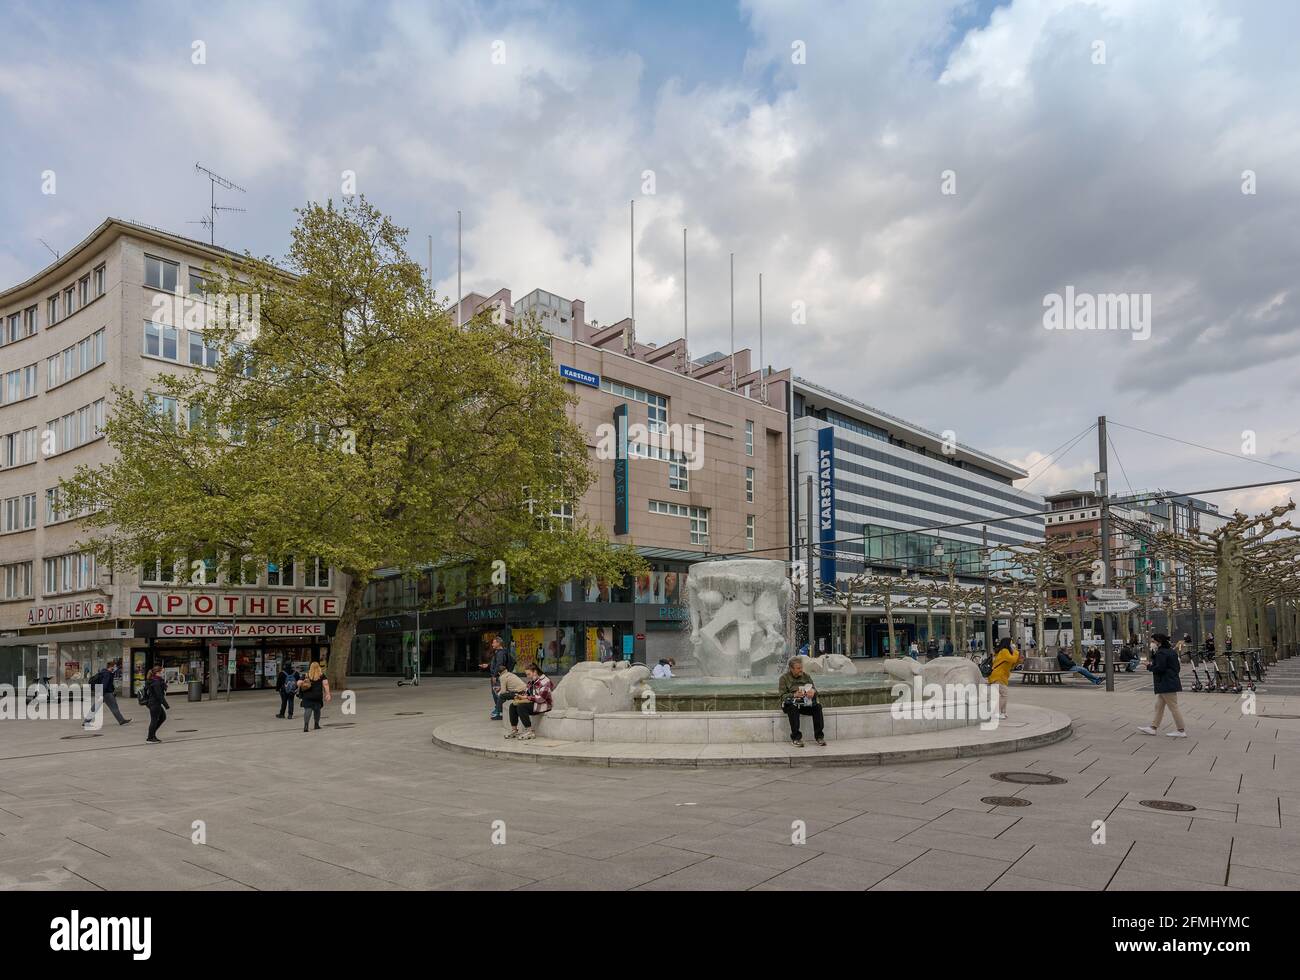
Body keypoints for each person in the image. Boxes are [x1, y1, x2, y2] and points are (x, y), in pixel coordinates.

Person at [1138, 634, 1187, 738]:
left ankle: (1181, 730)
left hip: (1165, 683)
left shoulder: (1161, 653)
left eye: (1153, 641)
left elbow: (1159, 668)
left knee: (1173, 707)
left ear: (1159, 642)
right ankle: (1153, 728)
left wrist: (1148, 666)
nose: (1152, 644)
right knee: (1159, 706)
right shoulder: (1171, 651)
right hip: (1169, 682)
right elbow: (1177, 668)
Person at [777, 657, 825, 747]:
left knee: (817, 707)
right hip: (790, 704)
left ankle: (819, 736)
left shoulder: (806, 676)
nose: (801, 670)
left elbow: (815, 690)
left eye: (801, 667)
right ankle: (796, 738)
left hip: (804, 703)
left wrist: (813, 692)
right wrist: (794, 695)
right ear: (791, 669)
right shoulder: (784, 678)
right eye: (798, 668)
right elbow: (782, 696)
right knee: (793, 708)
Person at [504, 663, 553, 740]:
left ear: (535, 672)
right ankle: (514, 730)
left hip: (543, 705)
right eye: (526, 674)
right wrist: (519, 696)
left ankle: (530, 731)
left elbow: (541, 698)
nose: (527, 676)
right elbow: (526, 693)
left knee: (521, 707)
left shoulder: (545, 681)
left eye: (529, 674)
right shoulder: (531, 682)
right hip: (534, 703)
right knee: (513, 705)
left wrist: (527, 697)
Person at [83, 660, 131, 728]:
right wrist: (103, 693)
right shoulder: (107, 674)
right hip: (107, 693)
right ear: (111, 667)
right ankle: (121, 720)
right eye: (114, 666)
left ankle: (87, 720)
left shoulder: (103, 672)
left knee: (95, 707)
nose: (116, 668)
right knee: (114, 707)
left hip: (102, 692)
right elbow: (104, 684)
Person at [479, 636, 513, 720]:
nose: (492, 644)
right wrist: (488, 665)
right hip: (497, 676)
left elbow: (499, 665)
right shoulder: (499, 652)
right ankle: (498, 711)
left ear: (498, 643)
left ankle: (499, 713)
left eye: (494, 642)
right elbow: (496, 663)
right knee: (496, 694)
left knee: (498, 695)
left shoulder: (501, 653)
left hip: (498, 677)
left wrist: (494, 675)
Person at [987, 638, 1020, 720]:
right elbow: (1012, 659)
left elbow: (1011, 664)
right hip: (998, 676)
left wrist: (1018, 661)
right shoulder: (1004, 651)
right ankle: (996, 713)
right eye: (1011, 643)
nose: (1013, 645)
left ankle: (1003, 712)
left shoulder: (1005, 652)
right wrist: (1015, 651)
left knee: (1002, 695)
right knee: (1004, 695)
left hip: (1001, 677)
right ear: (1007, 644)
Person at [297, 661, 330, 733]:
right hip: (317, 696)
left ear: (310, 667)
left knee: (307, 710)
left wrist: (303, 682)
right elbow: (326, 684)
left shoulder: (306, 675)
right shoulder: (322, 676)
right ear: (319, 668)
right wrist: (327, 694)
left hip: (307, 696)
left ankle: (306, 725)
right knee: (317, 710)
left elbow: (298, 683)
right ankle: (316, 724)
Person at [143, 665, 170, 743]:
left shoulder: (155, 680)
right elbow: (159, 695)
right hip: (154, 703)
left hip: (154, 703)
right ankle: (150, 738)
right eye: (162, 672)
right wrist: (166, 705)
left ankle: (152, 735)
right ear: (158, 672)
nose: (163, 673)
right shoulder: (156, 682)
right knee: (154, 720)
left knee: (162, 717)